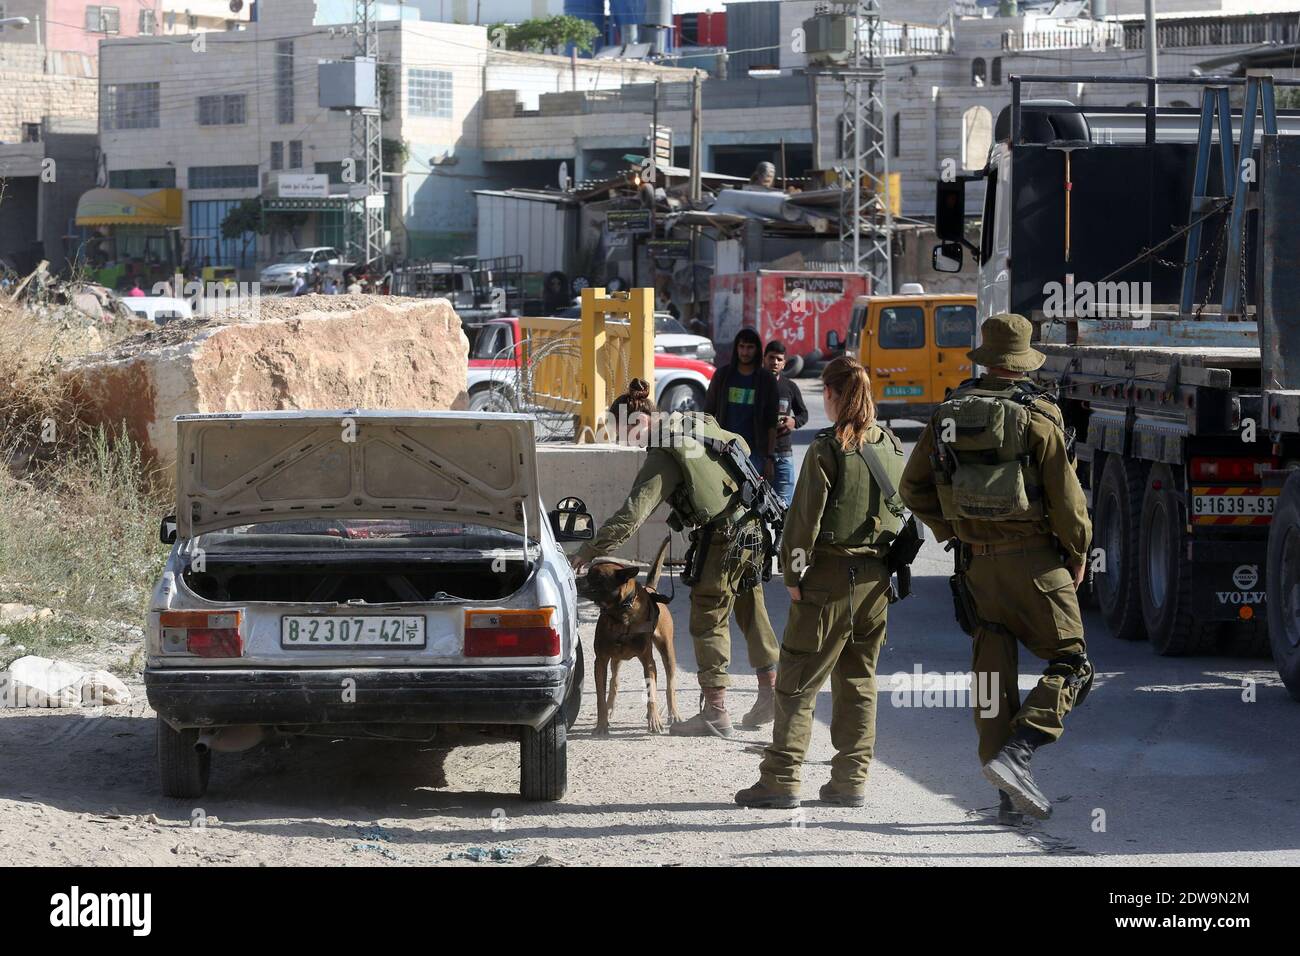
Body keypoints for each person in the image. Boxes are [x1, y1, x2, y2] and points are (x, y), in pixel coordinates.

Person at [899, 313, 1092, 825]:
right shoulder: (1040, 418)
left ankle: (1008, 798)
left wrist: (954, 531)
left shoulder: (948, 414)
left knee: (991, 680)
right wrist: (1077, 552)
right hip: (1034, 564)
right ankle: (1021, 753)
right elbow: (1069, 504)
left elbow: (911, 489)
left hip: (976, 570)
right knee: (1073, 665)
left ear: (986, 358)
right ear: (1025, 361)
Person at [735, 356, 903, 808]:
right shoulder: (890, 444)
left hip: (829, 579)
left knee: (796, 681)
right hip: (876, 583)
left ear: (830, 394)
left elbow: (802, 523)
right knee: (859, 682)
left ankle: (781, 780)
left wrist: (792, 574)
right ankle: (850, 782)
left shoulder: (828, 449)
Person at [572, 380, 781, 735]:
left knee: (708, 617)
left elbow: (632, 515)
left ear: (637, 423)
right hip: (753, 529)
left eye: (624, 434)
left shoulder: (663, 452)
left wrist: (588, 551)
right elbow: (742, 445)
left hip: (723, 539)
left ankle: (715, 711)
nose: (626, 443)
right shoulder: (698, 421)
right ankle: (771, 694)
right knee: (751, 609)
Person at [703, 328, 779, 483]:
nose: (745, 352)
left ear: (757, 350)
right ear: (736, 348)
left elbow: (772, 422)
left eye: (750, 347)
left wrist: (770, 458)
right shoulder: (722, 376)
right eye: (742, 346)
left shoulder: (766, 380)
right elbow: (708, 414)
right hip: (724, 449)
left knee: (752, 502)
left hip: (756, 453)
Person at [762, 340, 808, 506]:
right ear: (764, 359)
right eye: (771, 357)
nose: (774, 362)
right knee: (756, 508)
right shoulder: (754, 385)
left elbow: (804, 414)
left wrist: (793, 421)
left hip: (783, 455)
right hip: (757, 456)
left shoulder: (789, 387)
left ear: (784, 363)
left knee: (784, 508)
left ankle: (781, 534)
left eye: (779, 359)